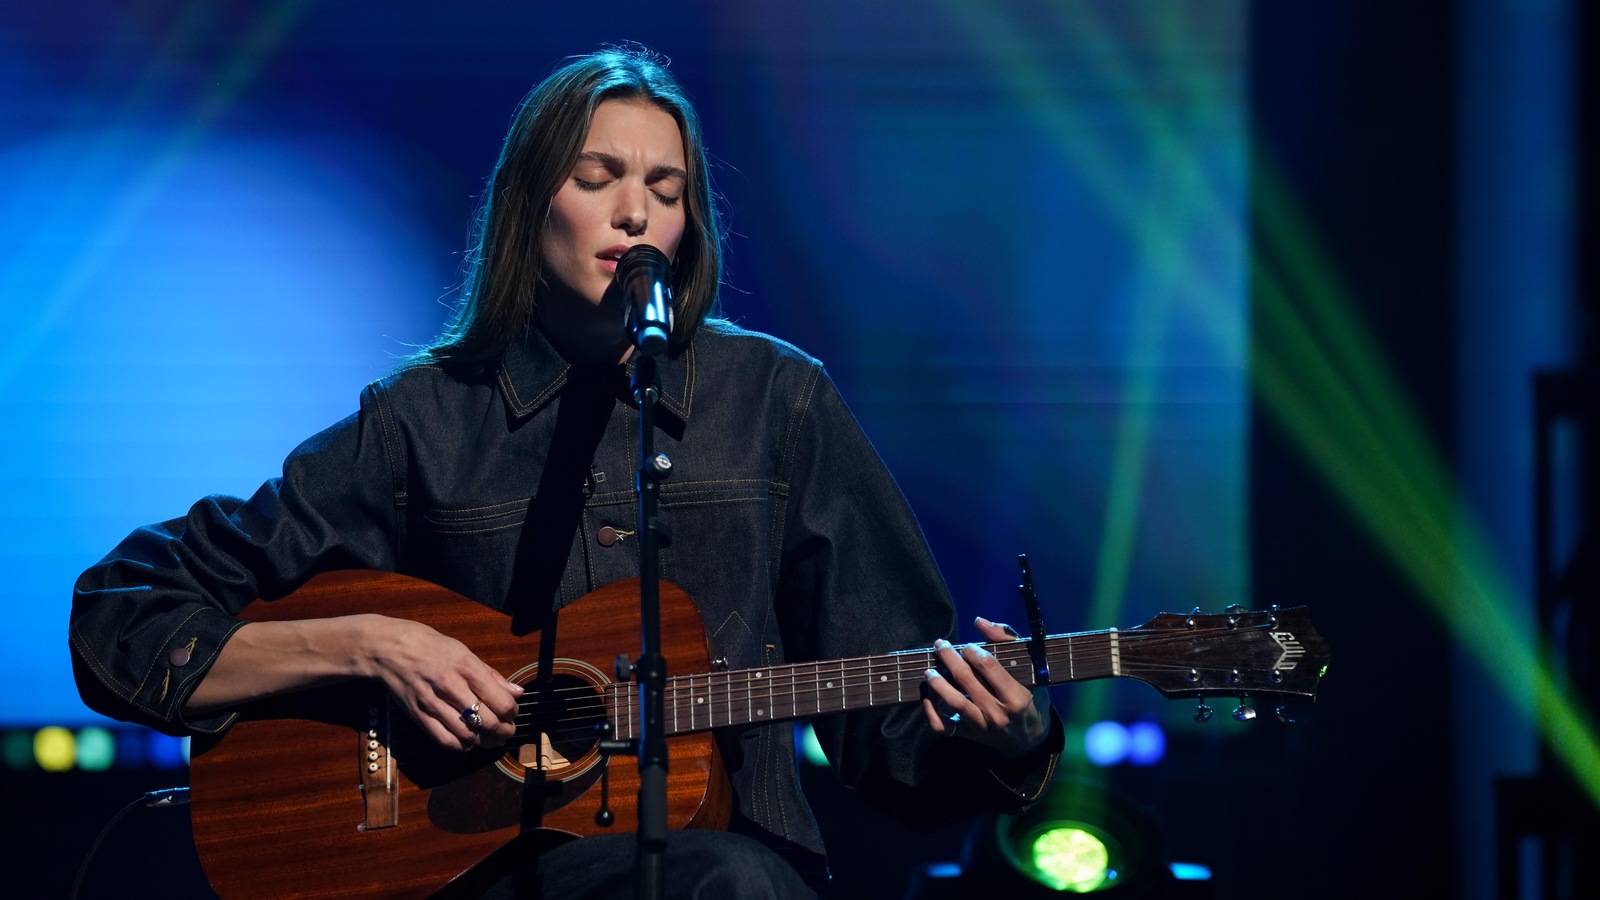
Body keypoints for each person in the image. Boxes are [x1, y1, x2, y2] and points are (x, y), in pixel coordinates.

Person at [68, 46, 1061, 898]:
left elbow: (892, 740)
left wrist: (1003, 741)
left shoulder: (776, 400)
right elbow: (126, 610)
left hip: (732, 875)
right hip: (476, 873)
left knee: (727, 879)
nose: (635, 213)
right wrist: (373, 645)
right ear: (529, 203)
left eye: (665, 192)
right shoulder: (425, 417)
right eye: (598, 179)